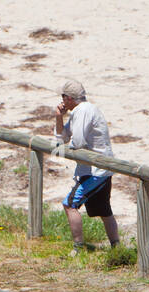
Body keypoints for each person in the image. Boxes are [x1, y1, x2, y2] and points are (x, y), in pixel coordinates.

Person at [53, 79, 119, 251]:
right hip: (101, 169)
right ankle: (116, 247)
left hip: (95, 170)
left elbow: (77, 141)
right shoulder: (83, 110)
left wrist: (67, 150)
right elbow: (63, 136)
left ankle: (78, 247)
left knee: (69, 204)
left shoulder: (82, 111)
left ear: (68, 98)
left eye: (63, 97)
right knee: (104, 210)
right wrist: (59, 117)